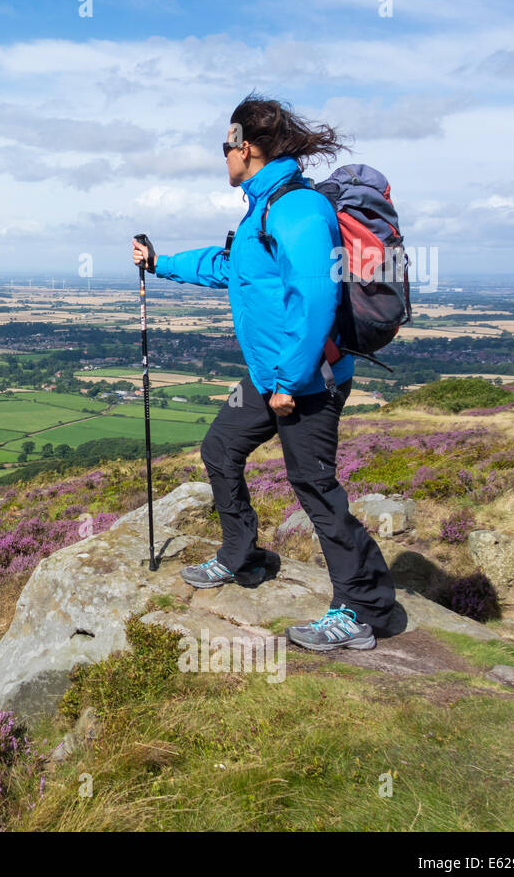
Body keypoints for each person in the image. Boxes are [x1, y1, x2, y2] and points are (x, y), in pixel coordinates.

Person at [130, 93, 396, 651]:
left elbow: (316, 297)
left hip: (307, 381)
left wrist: (288, 382)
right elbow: (229, 267)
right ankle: (241, 553)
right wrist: (161, 263)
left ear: (244, 146)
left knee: (315, 487)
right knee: (220, 450)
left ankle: (363, 610)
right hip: (270, 374)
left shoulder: (297, 209)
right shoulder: (262, 209)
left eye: (224, 147)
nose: (221, 157)